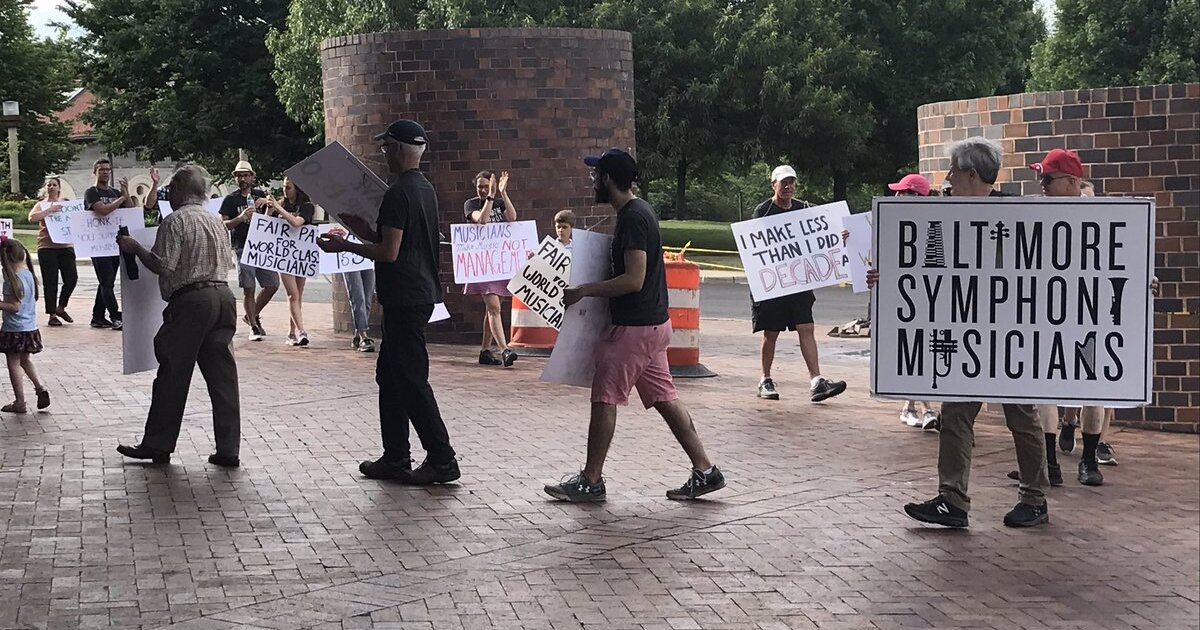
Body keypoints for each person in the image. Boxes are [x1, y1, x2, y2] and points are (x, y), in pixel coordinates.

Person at [870, 137, 1050, 528]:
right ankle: (953, 499)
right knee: (955, 414)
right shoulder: (947, 216)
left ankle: (1034, 498)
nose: (948, 179)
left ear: (972, 174)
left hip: (1007, 334)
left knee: (1021, 416)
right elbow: (926, 267)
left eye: (953, 171)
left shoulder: (1019, 215)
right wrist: (888, 278)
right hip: (966, 333)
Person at [543, 148, 725, 502]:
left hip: (634, 329)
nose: (593, 181)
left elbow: (634, 278)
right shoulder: (639, 211)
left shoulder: (632, 218)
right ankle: (706, 470)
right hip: (654, 327)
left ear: (608, 179)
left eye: (597, 175)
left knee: (605, 398)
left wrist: (584, 291)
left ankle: (590, 481)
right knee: (665, 398)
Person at [318, 119, 459, 485]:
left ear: (398, 149)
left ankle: (442, 459)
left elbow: (389, 251)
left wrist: (343, 245)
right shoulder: (424, 190)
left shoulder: (397, 194)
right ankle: (395, 455)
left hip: (406, 297)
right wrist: (362, 230)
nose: (383, 154)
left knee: (411, 379)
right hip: (418, 293)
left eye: (385, 148)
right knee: (391, 376)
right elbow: (399, 239)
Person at [114, 165, 241, 467]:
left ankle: (158, 444)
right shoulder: (217, 222)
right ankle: (228, 449)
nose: (168, 195)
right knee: (223, 378)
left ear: (180, 191)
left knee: (173, 372)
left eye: (170, 190)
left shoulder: (175, 221)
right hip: (223, 296)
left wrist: (135, 248)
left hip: (193, 300)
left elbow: (164, 266)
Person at [751, 165, 847, 403]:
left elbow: (825, 231)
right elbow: (755, 245)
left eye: (791, 182)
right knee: (771, 332)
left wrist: (840, 234)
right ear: (773, 184)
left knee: (806, 328)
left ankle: (816, 380)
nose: (788, 187)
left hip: (799, 281)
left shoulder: (805, 208)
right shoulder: (763, 211)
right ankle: (765, 379)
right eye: (783, 182)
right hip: (774, 283)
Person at [886, 174, 940, 431]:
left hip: (925, 295)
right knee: (916, 350)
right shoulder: (893, 222)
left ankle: (911, 407)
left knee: (921, 350)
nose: (897, 197)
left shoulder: (933, 224)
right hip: (906, 297)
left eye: (903, 192)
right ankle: (925, 408)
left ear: (917, 196)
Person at [463, 170, 519, 367]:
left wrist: (503, 193)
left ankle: (485, 351)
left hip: (499, 264)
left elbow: (512, 217)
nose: (483, 189)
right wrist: (489, 197)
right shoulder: (471, 204)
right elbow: (482, 220)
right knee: (494, 307)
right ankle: (505, 350)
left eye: (486, 186)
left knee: (493, 309)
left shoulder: (499, 202)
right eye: (480, 186)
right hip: (483, 265)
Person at [219, 160, 276, 342]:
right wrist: (241, 217)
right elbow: (224, 224)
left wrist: (269, 203)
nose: (242, 178)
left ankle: (253, 314)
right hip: (242, 246)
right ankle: (253, 326)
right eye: (239, 175)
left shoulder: (260, 195)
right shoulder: (230, 200)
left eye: (246, 175)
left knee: (272, 284)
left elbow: (274, 212)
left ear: (252, 177)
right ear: (234, 178)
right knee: (248, 288)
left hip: (262, 247)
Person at [259, 177, 316, 347]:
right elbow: (266, 223)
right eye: (284, 187)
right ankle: (301, 331)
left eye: (288, 188)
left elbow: (297, 222)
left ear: (297, 189)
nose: (285, 191)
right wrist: (270, 209)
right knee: (293, 294)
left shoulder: (307, 206)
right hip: (284, 255)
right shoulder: (281, 204)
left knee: (298, 294)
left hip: (301, 254)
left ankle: (292, 333)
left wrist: (278, 208)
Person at [0, 237, 50, 413]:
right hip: (29, 327)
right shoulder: (29, 275)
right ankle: (40, 388)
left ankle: (20, 401)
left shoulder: (12, 281)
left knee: (13, 363)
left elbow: (14, 307)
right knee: (25, 359)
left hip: (14, 328)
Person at [83, 158, 133, 330]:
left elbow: (131, 209)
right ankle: (114, 315)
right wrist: (121, 199)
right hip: (97, 244)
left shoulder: (115, 192)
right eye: (101, 169)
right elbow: (102, 211)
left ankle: (97, 316)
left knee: (107, 281)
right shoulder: (91, 192)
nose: (105, 172)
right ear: (95, 172)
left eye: (107, 169)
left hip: (113, 243)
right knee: (106, 281)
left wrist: (125, 193)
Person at [26, 176, 77, 327]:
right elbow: (31, 218)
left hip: (65, 246)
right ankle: (52, 315)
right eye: (49, 185)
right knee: (50, 281)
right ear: (45, 188)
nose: (51, 187)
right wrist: (49, 210)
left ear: (59, 188)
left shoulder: (67, 204)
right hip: (47, 248)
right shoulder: (41, 205)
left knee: (71, 278)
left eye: (54, 185)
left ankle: (61, 307)